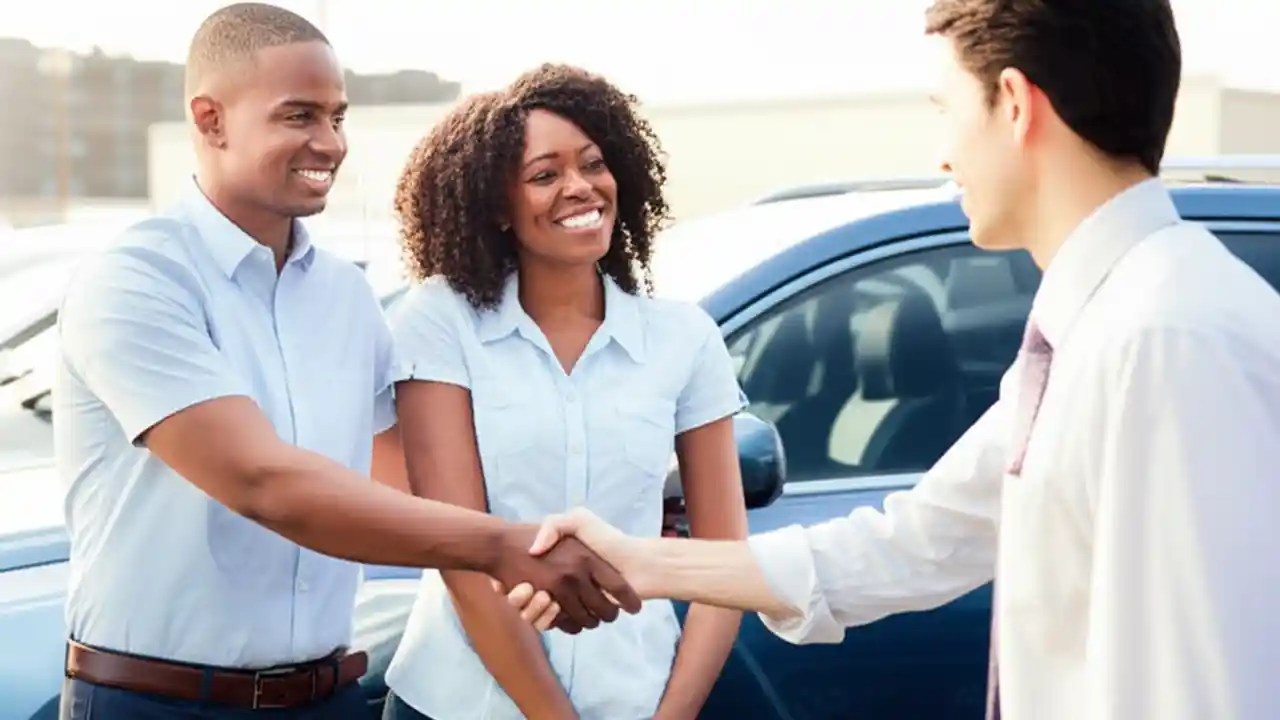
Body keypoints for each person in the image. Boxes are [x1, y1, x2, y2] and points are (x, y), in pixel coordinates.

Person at [503, 2, 1280, 719]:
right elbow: (915, 543)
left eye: (946, 110)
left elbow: (1199, 693)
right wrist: (639, 563)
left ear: (1014, 104)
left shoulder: (1165, 340)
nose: (943, 155)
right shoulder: (1104, 325)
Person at [53, 5, 636, 719]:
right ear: (211, 120)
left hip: (329, 698)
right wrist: (504, 545)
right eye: (299, 116)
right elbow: (262, 482)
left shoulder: (346, 295)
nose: (329, 143)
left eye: (337, 117)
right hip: (158, 703)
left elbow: (405, 486)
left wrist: (612, 490)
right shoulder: (137, 279)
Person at [373, 65, 749, 720]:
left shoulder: (683, 338)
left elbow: (726, 564)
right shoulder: (440, 322)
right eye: (544, 175)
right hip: (464, 702)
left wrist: (672, 716)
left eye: (593, 164)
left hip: (634, 698)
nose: (579, 187)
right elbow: (462, 555)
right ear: (497, 206)